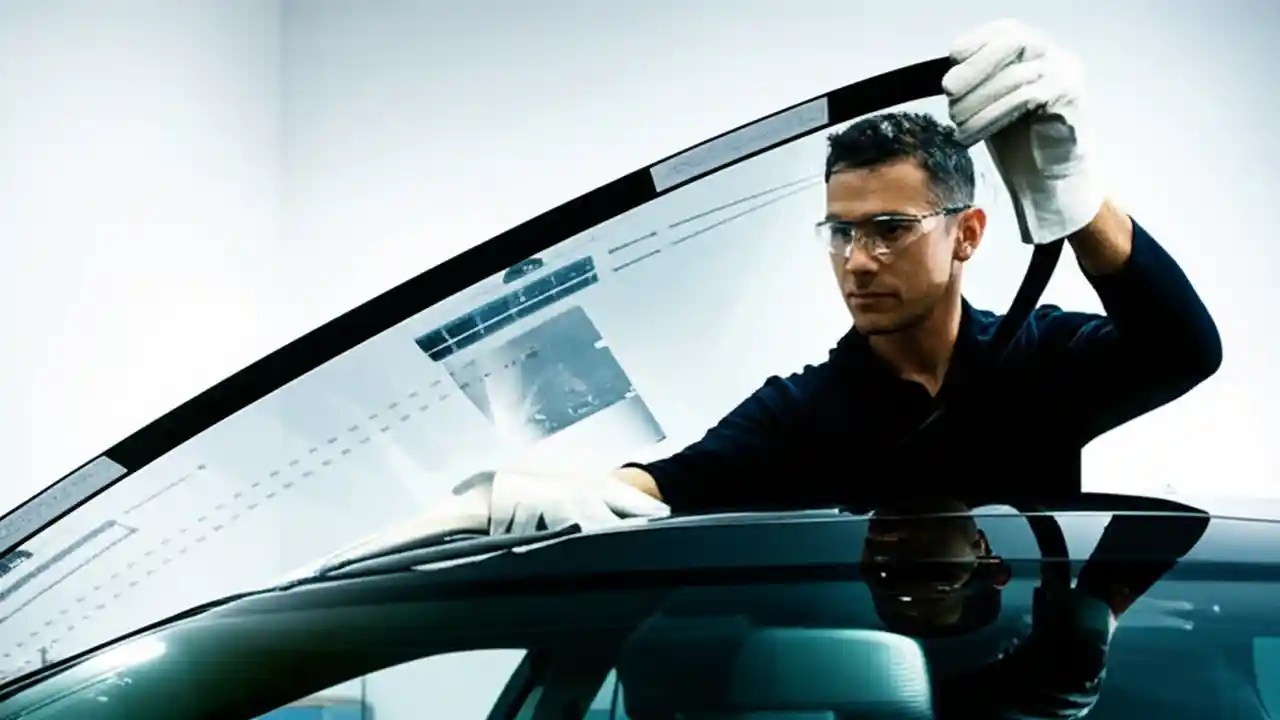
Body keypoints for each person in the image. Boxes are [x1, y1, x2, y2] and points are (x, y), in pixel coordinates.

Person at [345, 19, 1223, 550]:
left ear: (967, 234)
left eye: (889, 229)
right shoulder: (803, 414)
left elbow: (1182, 350)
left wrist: (1076, 198)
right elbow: (665, 485)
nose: (858, 260)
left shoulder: (1039, 359)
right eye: (840, 232)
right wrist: (544, 493)